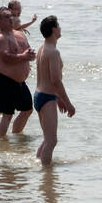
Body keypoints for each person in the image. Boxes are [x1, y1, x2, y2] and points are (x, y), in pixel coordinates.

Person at [34, 15, 75, 166]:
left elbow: (47, 78)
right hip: (46, 96)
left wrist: (57, 98)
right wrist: (67, 103)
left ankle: (38, 164)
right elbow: (55, 80)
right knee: (52, 141)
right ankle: (46, 176)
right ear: (53, 29)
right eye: (58, 25)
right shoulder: (53, 52)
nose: (60, 28)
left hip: (39, 95)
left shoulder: (42, 48)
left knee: (47, 138)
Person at [0, 7, 36, 138]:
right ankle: (0, 143)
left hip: (20, 81)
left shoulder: (20, 34)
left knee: (27, 109)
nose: (11, 18)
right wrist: (24, 56)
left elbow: (27, 51)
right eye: (6, 17)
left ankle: (16, 136)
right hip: (5, 79)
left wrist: (31, 55)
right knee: (7, 114)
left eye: (11, 16)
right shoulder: (0, 37)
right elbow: (6, 58)